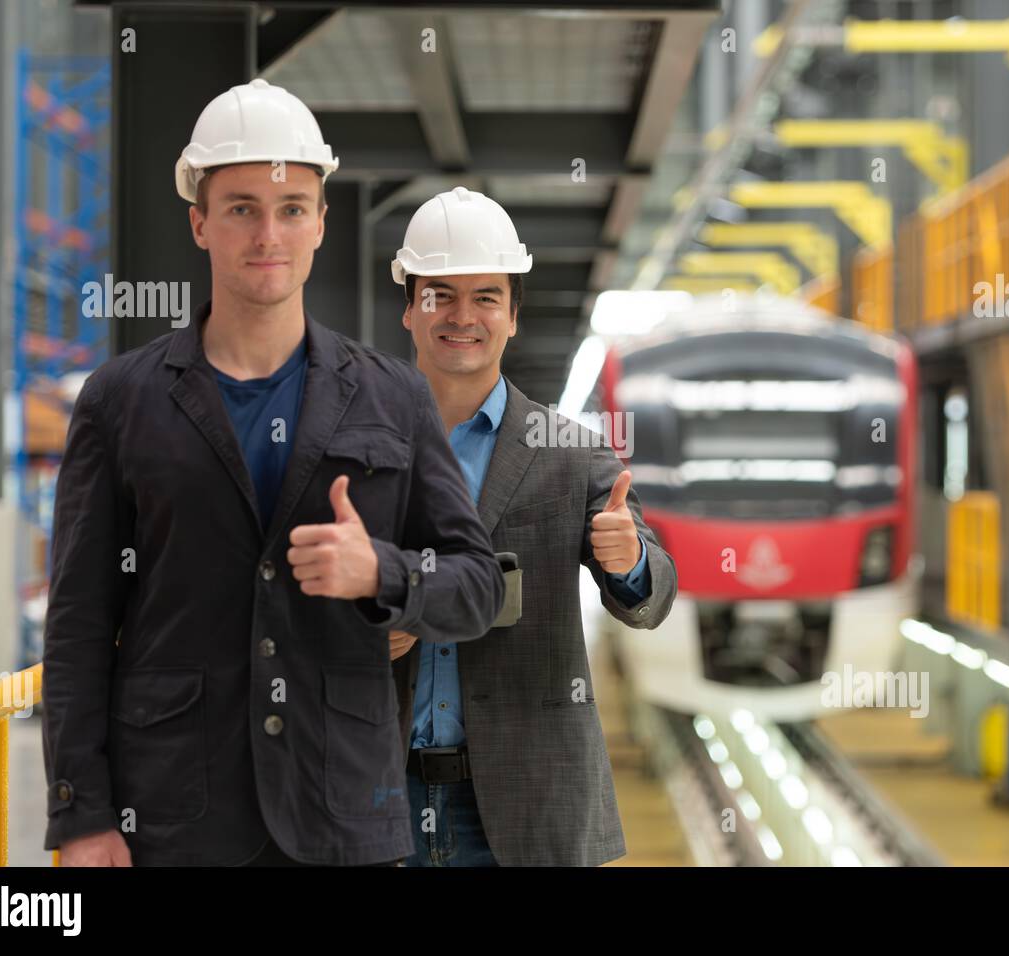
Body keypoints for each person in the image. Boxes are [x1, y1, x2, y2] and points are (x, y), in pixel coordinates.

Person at [41, 82, 503, 867]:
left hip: (342, 812)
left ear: (321, 221)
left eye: (292, 208)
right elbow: (79, 625)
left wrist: (383, 572)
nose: (269, 233)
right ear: (200, 222)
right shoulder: (121, 400)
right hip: (173, 814)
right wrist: (83, 812)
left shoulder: (393, 396)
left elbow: (478, 585)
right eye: (242, 208)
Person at [389, 187, 678, 866]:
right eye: (440, 295)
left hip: (527, 809)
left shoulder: (570, 452)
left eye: (486, 296)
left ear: (513, 317)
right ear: (410, 309)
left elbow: (653, 598)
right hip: (380, 799)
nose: (463, 316)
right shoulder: (358, 444)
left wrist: (628, 560)